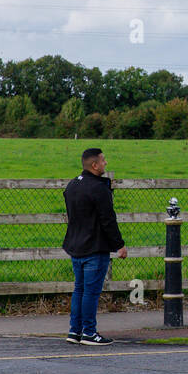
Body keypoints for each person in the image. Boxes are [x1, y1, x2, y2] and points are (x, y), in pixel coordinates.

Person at [62, 147, 126, 345]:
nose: (106, 163)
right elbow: (108, 220)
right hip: (95, 247)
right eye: (103, 160)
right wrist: (119, 245)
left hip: (75, 245)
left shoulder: (72, 185)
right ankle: (89, 332)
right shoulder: (99, 188)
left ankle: (75, 331)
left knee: (79, 290)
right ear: (94, 165)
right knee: (90, 292)